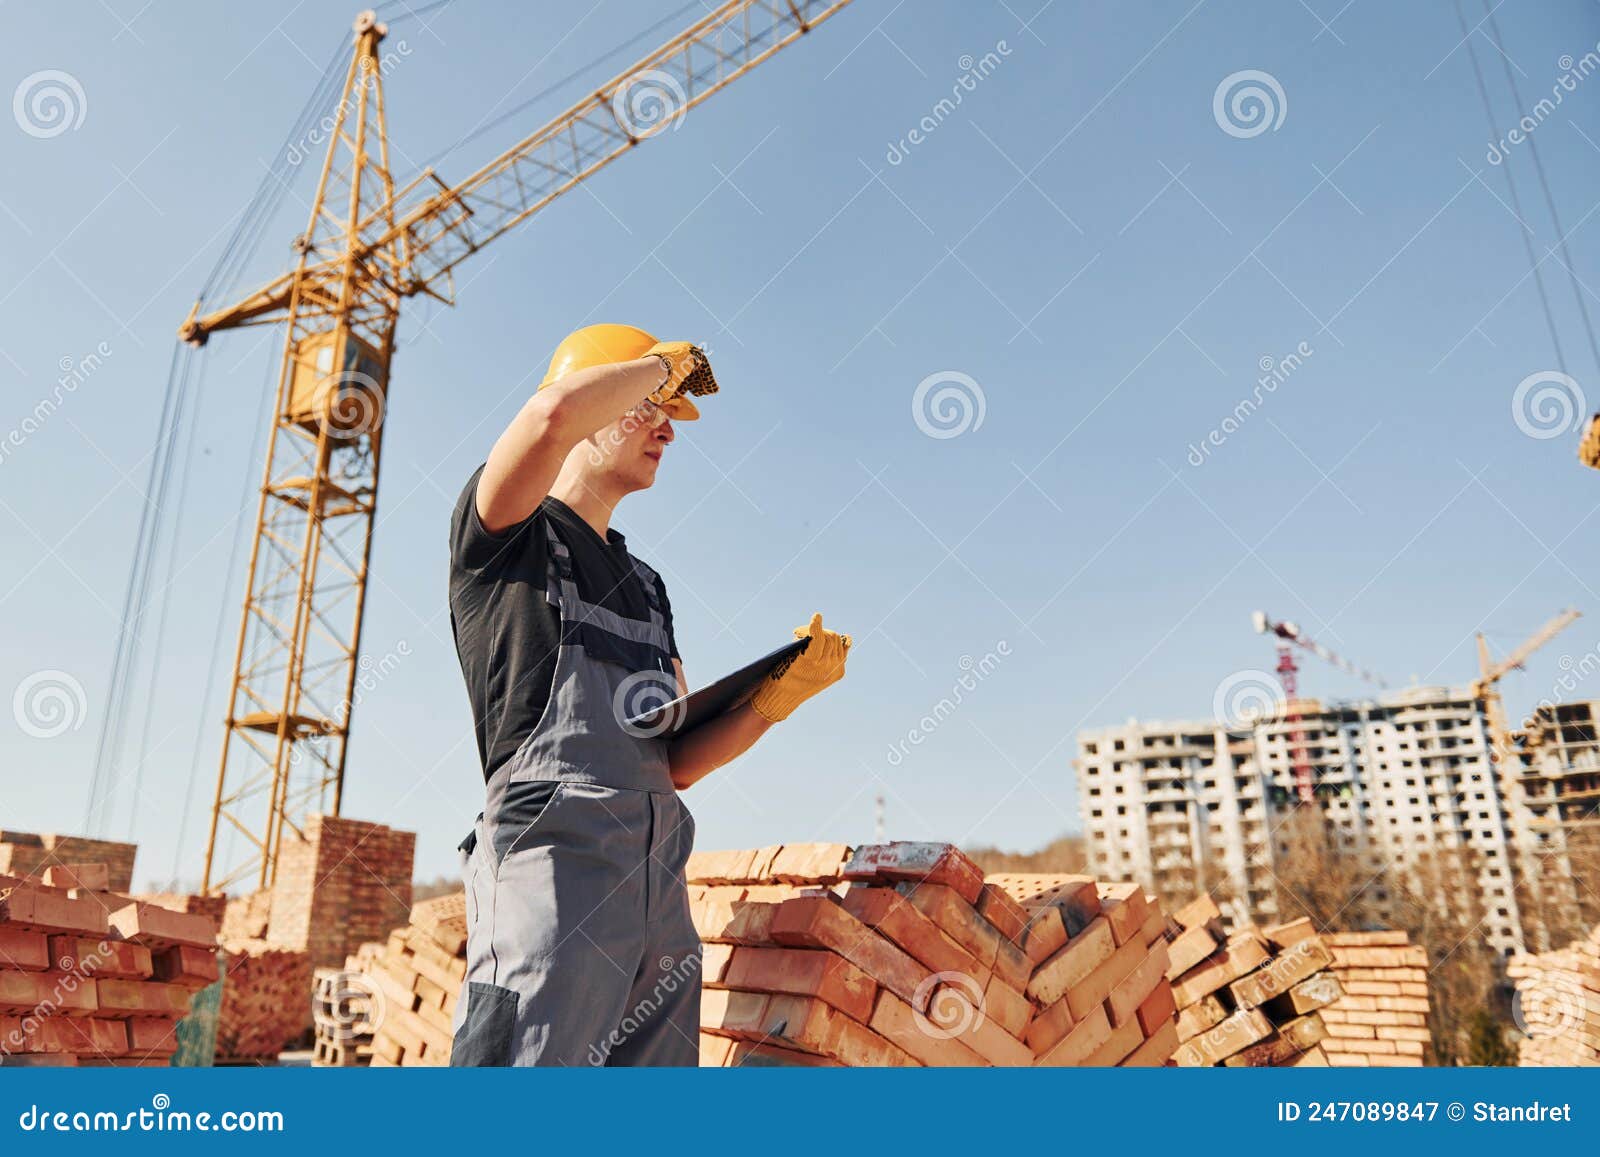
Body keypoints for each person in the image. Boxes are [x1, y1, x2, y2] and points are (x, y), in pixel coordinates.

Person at [446, 323, 851, 1066]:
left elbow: (677, 762)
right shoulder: (508, 536)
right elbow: (547, 419)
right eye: (649, 404)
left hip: (656, 888)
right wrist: (661, 365)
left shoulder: (649, 589)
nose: (668, 424)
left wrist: (774, 700)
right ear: (595, 400)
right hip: (552, 878)